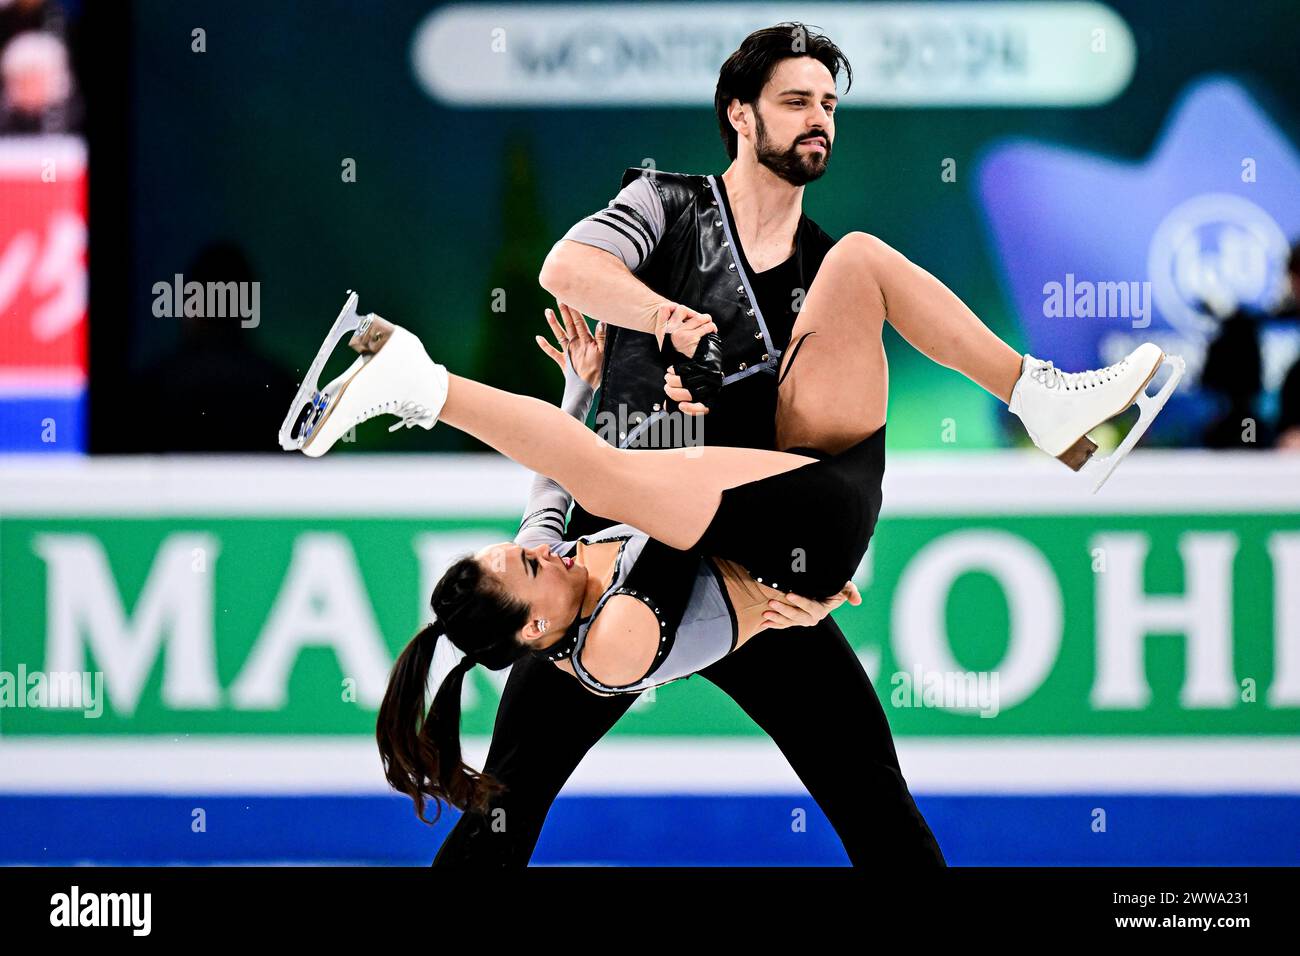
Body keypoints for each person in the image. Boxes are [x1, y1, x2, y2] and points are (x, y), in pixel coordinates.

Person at [282, 22, 1177, 867]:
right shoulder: (667, 205)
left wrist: (798, 570)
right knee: (505, 813)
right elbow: (567, 270)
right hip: (640, 538)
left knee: (871, 798)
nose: (819, 119)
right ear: (739, 115)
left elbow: (780, 477)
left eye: (828, 103)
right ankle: (1043, 406)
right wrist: (666, 318)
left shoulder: (824, 279)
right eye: (795, 101)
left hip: (738, 535)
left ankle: (1042, 404)